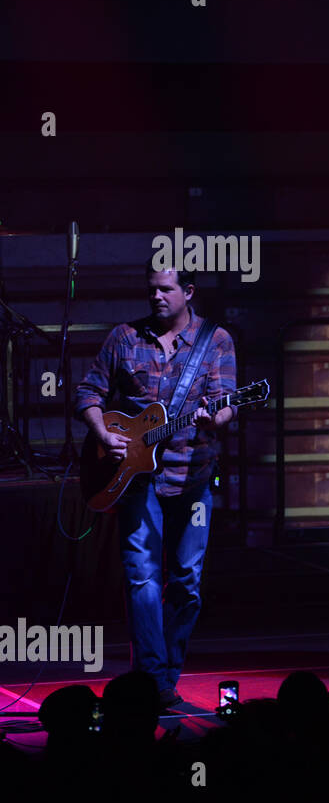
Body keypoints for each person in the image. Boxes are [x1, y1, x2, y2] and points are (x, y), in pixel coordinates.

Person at [76, 265, 237, 707]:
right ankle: (154, 679)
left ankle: (165, 670)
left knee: (186, 581)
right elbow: (88, 392)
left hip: (193, 476)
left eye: (166, 290)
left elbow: (226, 407)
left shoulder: (216, 341)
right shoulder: (124, 337)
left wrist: (215, 415)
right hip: (134, 478)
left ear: (188, 291)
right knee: (143, 577)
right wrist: (103, 433)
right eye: (151, 290)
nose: (157, 297)